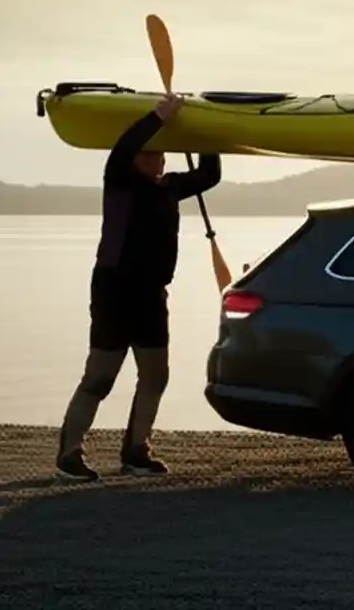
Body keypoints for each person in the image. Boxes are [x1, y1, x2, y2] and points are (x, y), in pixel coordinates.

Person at [55, 93, 221, 481]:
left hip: (151, 295)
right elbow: (125, 145)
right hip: (115, 291)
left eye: (161, 154)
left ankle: (136, 450)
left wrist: (205, 136)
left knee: (156, 375)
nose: (157, 158)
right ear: (135, 159)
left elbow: (208, 176)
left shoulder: (168, 188)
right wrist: (158, 116)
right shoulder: (119, 181)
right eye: (150, 154)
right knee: (100, 377)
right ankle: (69, 454)